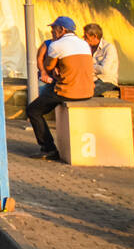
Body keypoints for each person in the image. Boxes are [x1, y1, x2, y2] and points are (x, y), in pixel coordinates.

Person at [28, 16, 96, 161]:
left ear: (62, 30)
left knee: (33, 110)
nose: (52, 31)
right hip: (88, 91)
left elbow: (47, 66)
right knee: (49, 91)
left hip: (67, 91)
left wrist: (55, 68)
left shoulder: (56, 45)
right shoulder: (84, 44)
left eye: (54, 28)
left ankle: (48, 148)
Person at [83, 23, 120, 97]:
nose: (84, 38)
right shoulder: (86, 48)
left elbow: (104, 70)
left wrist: (89, 67)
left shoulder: (108, 48)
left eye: (86, 36)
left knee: (87, 92)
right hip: (91, 80)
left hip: (106, 81)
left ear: (94, 36)